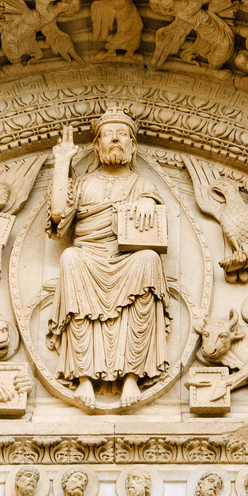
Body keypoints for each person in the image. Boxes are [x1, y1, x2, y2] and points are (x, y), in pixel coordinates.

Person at [47, 107, 170, 408]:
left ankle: (132, 375)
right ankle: (85, 377)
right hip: (89, 257)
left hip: (126, 260)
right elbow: (57, 215)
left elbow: (153, 216)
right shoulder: (86, 183)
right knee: (70, 258)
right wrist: (62, 164)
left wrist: (145, 202)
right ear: (97, 146)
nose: (115, 141)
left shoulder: (143, 185)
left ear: (132, 145)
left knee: (149, 261)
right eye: (108, 136)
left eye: (122, 135)